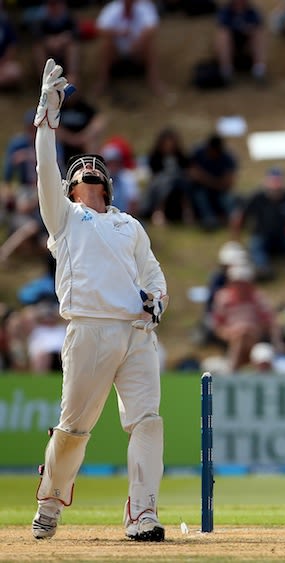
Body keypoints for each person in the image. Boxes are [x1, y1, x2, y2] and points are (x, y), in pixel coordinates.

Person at [30, 59, 168, 541]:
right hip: (88, 328)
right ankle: (50, 498)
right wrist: (47, 114)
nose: (88, 174)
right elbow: (45, 165)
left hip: (136, 332)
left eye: (95, 172)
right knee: (74, 429)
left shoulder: (130, 225)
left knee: (148, 421)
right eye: (80, 173)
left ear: (108, 184)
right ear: (69, 187)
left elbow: (153, 277)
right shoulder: (64, 219)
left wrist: (158, 302)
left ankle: (142, 515)